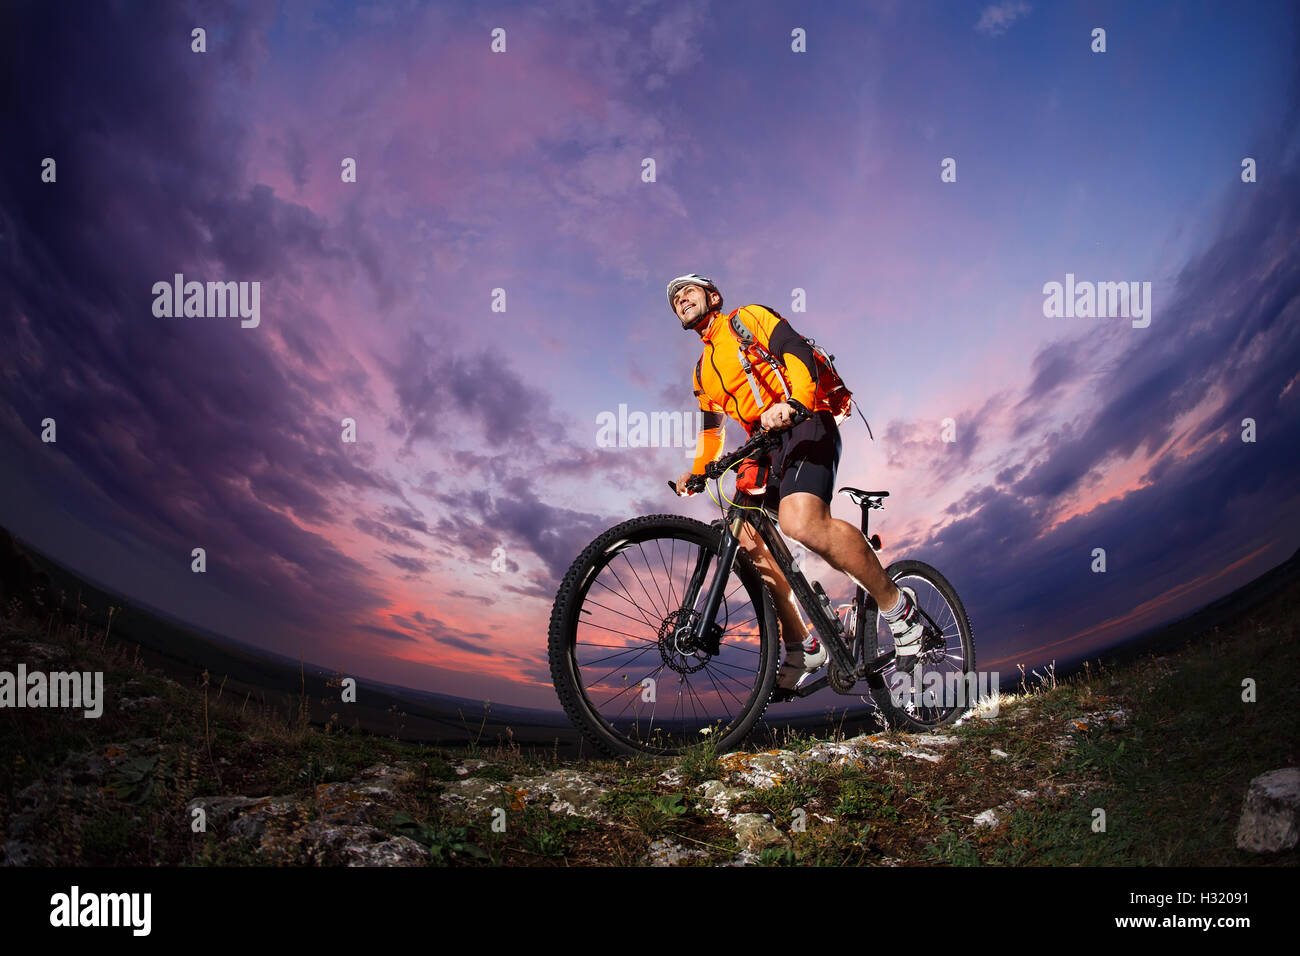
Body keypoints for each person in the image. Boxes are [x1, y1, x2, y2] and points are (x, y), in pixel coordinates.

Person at [667, 273, 928, 692]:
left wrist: (795, 403)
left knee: (801, 523)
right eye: (675, 298)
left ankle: (899, 610)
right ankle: (802, 645)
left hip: (803, 421)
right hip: (762, 444)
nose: (681, 298)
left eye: (688, 291)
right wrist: (699, 470)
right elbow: (712, 430)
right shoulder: (702, 372)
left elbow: (795, 349)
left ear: (712, 296)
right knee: (746, 540)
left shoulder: (745, 319)